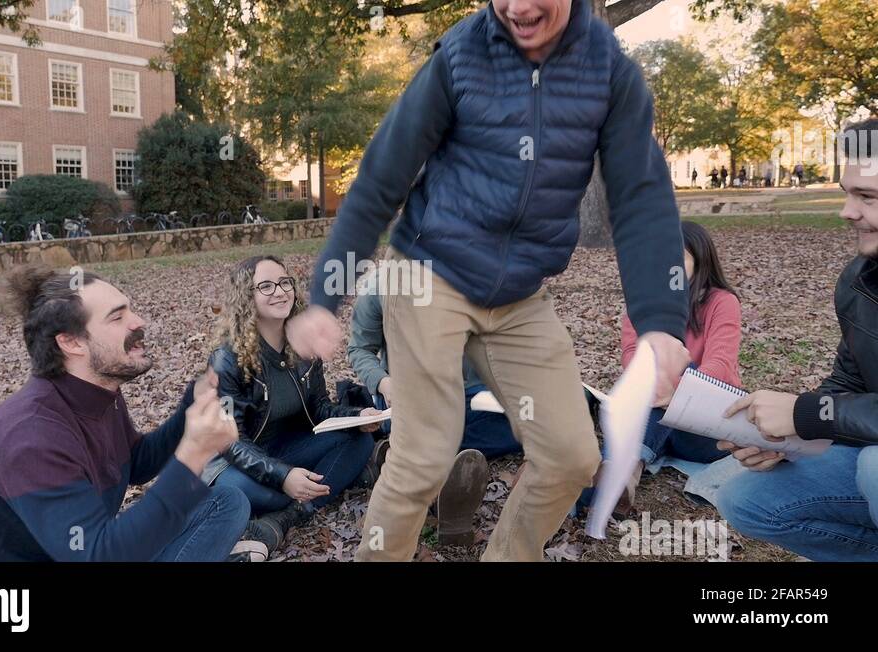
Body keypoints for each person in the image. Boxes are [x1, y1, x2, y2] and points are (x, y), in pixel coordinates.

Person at [285, 0, 691, 561]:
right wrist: (325, 297)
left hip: (520, 293)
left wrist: (661, 321)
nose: (518, 8)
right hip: (429, 274)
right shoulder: (460, 55)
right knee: (424, 453)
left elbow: (641, 196)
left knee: (573, 455)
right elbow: (381, 178)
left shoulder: (609, 71)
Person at [0, 265, 253, 561]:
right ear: (71, 342)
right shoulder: (30, 439)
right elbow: (97, 555)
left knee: (225, 502)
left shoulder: (99, 394)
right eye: (117, 317)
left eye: (130, 310)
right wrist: (193, 458)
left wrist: (192, 406)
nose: (139, 322)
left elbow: (136, 464)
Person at [716, 119, 878, 561]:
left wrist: (808, 414)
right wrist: (788, 440)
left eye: (867, 197)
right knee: (746, 500)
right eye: (848, 192)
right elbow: (848, 382)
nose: (846, 210)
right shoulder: (858, 282)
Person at [204, 255, 380, 556]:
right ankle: (334, 480)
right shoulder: (227, 360)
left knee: (359, 439)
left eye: (285, 282)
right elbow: (230, 442)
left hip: (293, 447)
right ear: (247, 298)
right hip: (239, 463)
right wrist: (282, 476)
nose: (280, 291)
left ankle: (286, 517)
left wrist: (356, 416)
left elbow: (320, 409)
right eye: (267, 286)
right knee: (235, 492)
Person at [348, 269, 523, 544]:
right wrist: (383, 382)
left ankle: (418, 456)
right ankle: (438, 481)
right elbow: (359, 349)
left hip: (466, 391)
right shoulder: (379, 287)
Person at [581, 221, 739, 514]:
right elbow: (631, 356)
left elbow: (721, 367)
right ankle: (620, 478)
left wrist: (675, 389)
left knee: (662, 378)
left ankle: (620, 471)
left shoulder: (721, 302)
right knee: (649, 383)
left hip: (706, 427)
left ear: (701, 259)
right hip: (659, 415)